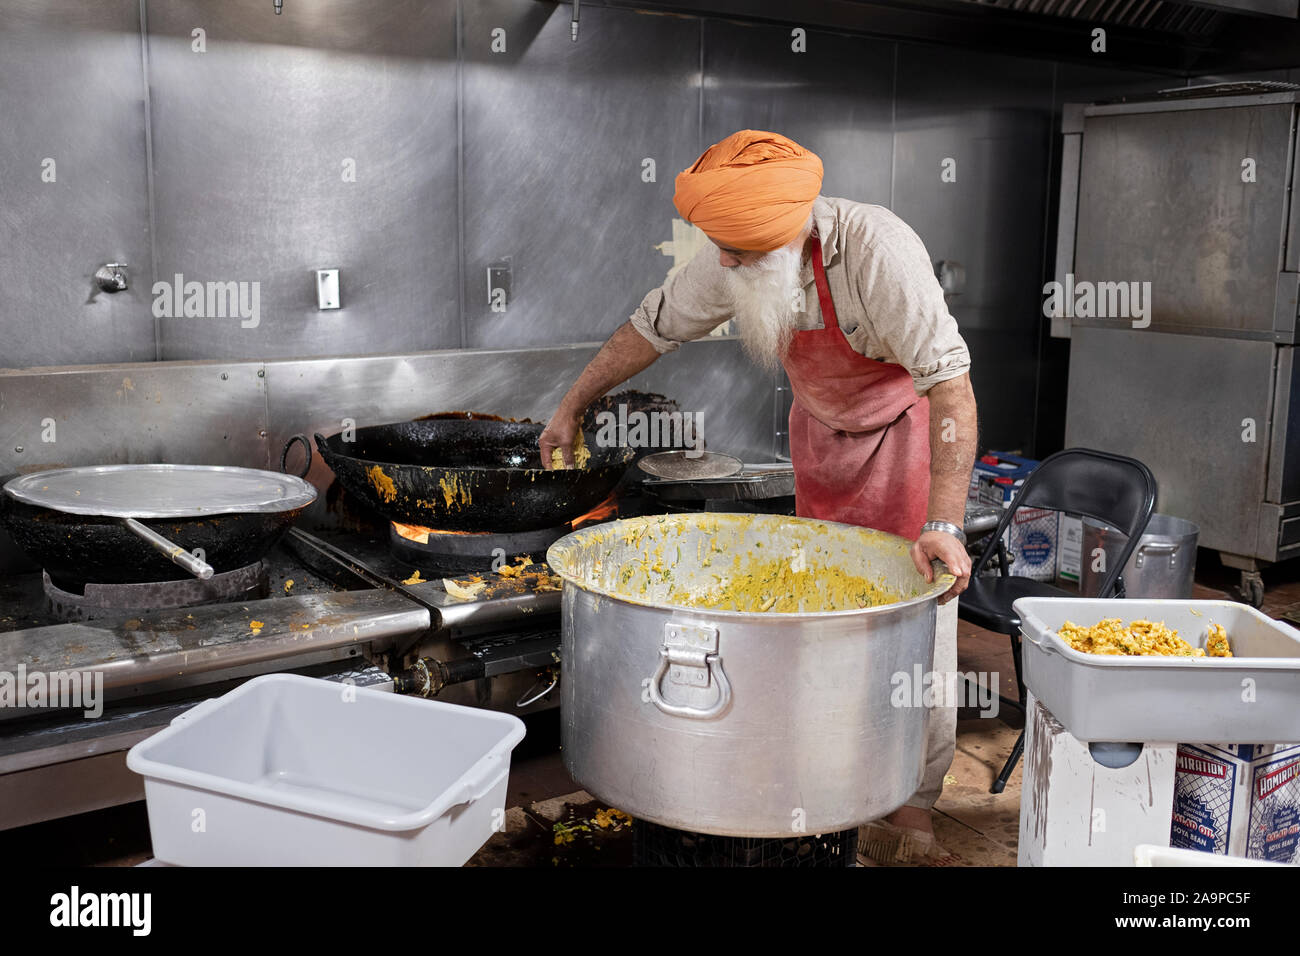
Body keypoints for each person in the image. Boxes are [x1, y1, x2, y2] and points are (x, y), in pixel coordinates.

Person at [540, 129, 977, 859]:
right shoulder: (737, 253)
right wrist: (573, 403)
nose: (723, 262)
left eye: (738, 252)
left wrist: (947, 522)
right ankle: (822, 770)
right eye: (719, 247)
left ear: (786, 238)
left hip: (904, 441)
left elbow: (952, 388)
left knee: (912, 628)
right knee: (819, 619)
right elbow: (651, 328)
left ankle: (912, 804)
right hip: (821, 440)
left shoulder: (878, 251)